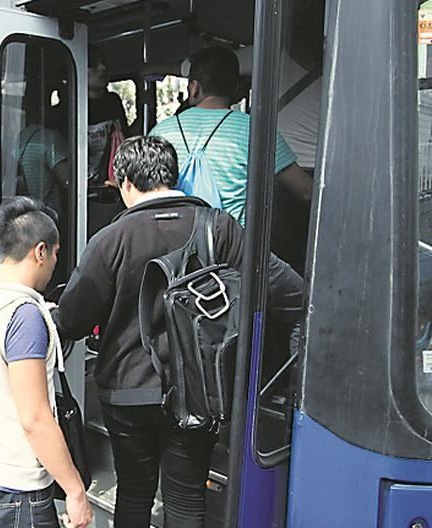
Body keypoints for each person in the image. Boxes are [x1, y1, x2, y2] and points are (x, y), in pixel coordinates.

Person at [53, 136, 303, 527]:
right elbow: (287, 289)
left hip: (127, 392)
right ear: (175, 176)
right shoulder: (218, 227)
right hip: (200, 391)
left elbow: (72, 320)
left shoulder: (110, 239)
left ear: (126, 184)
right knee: (186, 499)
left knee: (134, 492)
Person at [0, 197, 93, 528]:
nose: (55, 262)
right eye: (55, 252)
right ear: (40, 251)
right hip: (16, 487)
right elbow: (35, 418)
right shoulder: (23, 316)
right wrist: (75, 490)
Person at [149, 46, 313, 227]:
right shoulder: (256, 130)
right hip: (233, 249)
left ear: (194, 88)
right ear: (236, 88)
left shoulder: (162, 131)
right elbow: (305, 190)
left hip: (174, 245)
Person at [87, 45, 128, 185]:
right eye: (92, 64)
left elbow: (125, 136)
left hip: (115, 181)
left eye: (103, 62)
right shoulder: (72, 106)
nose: (102, 68)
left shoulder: (113, 102)